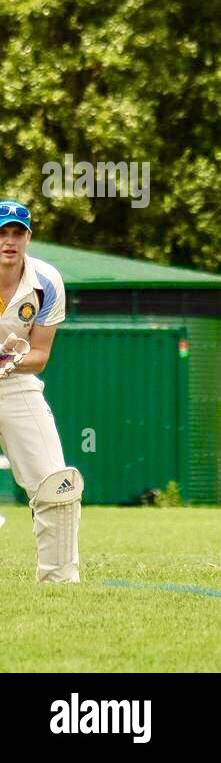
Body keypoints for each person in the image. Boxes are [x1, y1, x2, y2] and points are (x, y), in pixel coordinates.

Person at [0, 200, 81, 583]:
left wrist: (10, 364)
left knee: (57, 485)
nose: (9, 241)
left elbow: (40, 354)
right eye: (2, 233)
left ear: (28, 237)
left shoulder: (47, 281)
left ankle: (59, 583)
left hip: (14, 383)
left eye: (17, 233)